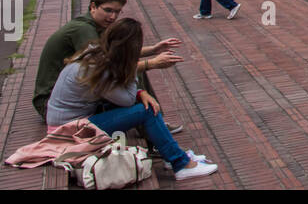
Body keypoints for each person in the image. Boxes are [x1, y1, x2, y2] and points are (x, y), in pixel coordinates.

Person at [45, 18, 217, 181]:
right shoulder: (95, 69)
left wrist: (140, 91)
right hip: (70, 132)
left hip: (72, 123)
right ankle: (180, 164)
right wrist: (133, 67)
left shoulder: (95, 52)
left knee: (143, 105)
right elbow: (126, 99)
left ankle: (171, 154)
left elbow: (121, 94)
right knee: (146, 111)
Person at [33, 0, 184, 127]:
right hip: (51, 103)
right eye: (108, 10)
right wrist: (151, 64)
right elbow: (101, 66)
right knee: (133, 72)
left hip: (72, 97)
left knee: (133, 71)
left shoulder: (94, 25)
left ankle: (154, 122)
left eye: (117, 12)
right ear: (93, 7)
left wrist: (153, 49)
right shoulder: (83, 30)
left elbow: (114, 54)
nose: (112, 17)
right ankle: (153, 125)